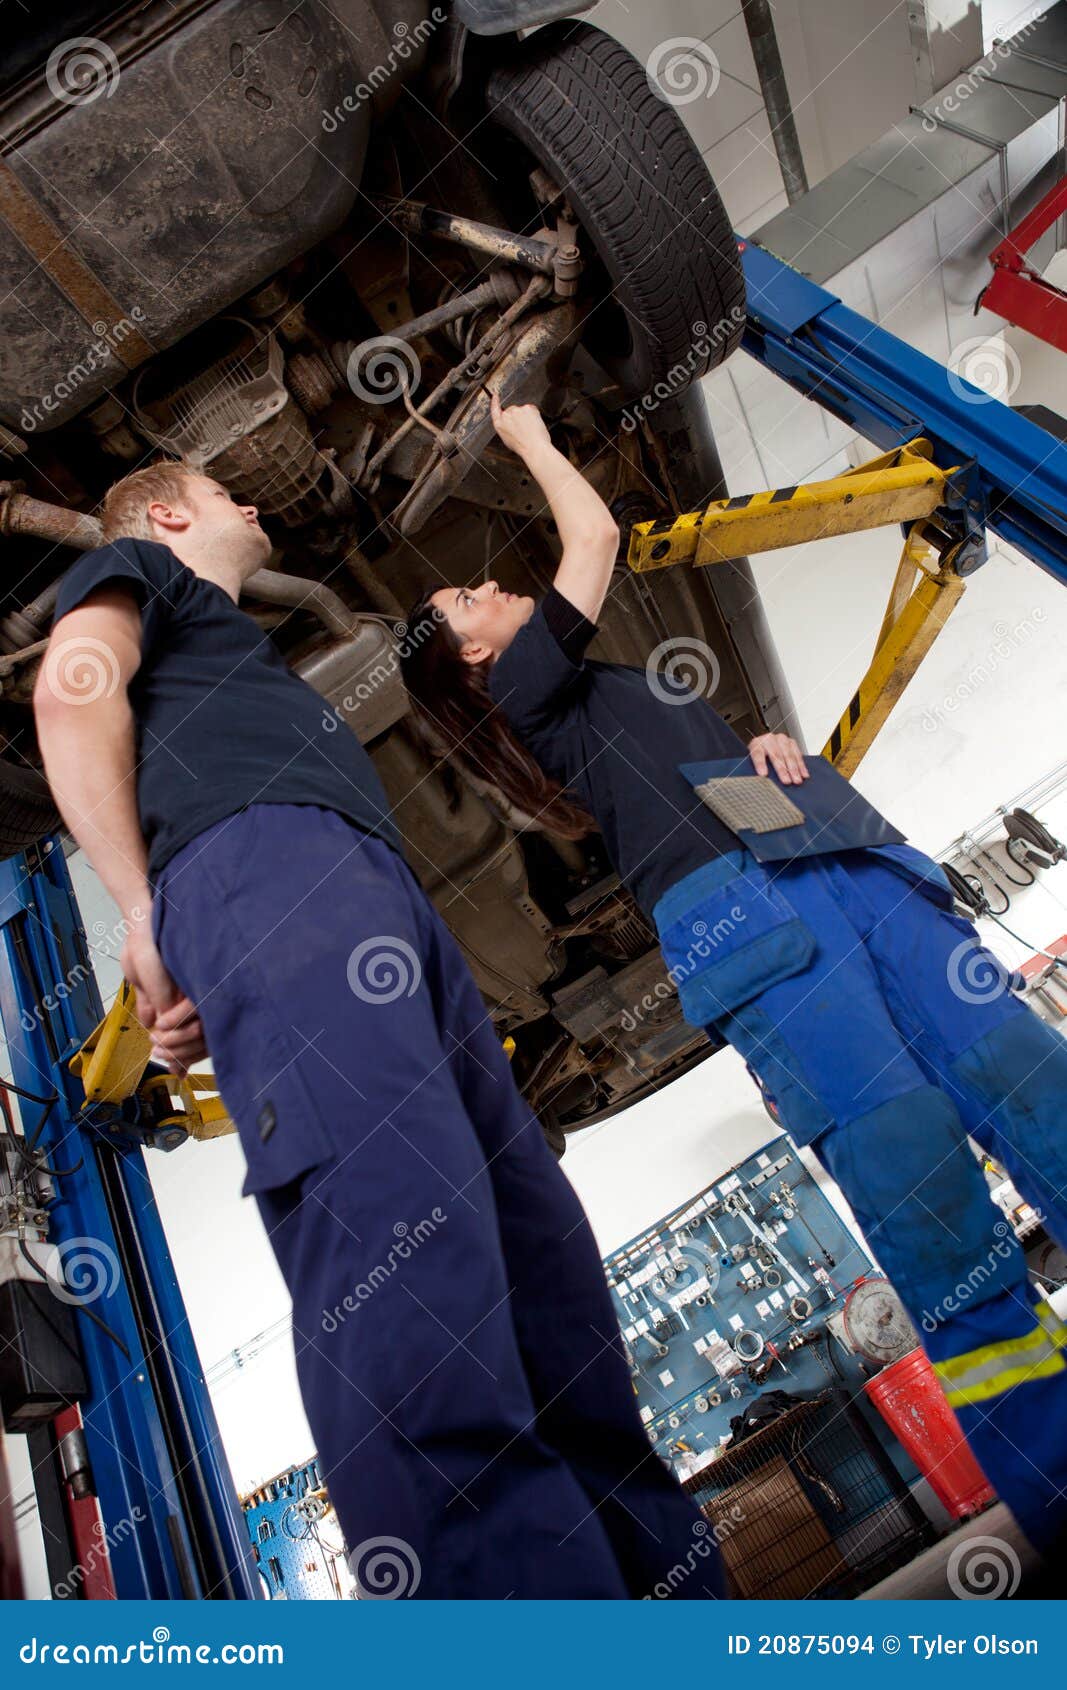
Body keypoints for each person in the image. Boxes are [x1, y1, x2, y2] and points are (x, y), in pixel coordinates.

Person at [33, 463, 724, 1600]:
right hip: (270, 872)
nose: (253, 508)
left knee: (534, 1267)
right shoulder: (140, 570)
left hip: (362, 897)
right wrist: (151, 913)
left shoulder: (228, 647)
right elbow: (72, 690)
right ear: (164, 514)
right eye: (224, 494)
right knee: (407, 1257)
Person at [401, 392, 1067, 1556]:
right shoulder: (519, 690)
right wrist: (528, 437)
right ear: (469, 656)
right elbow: (595, 539)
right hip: (741, 919)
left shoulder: (599, 694)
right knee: (917, 1182)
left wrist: (759, 754)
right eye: (465, 600)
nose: (486, 586)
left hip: (821, 857)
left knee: (1030, 1079)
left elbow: (700, 760)